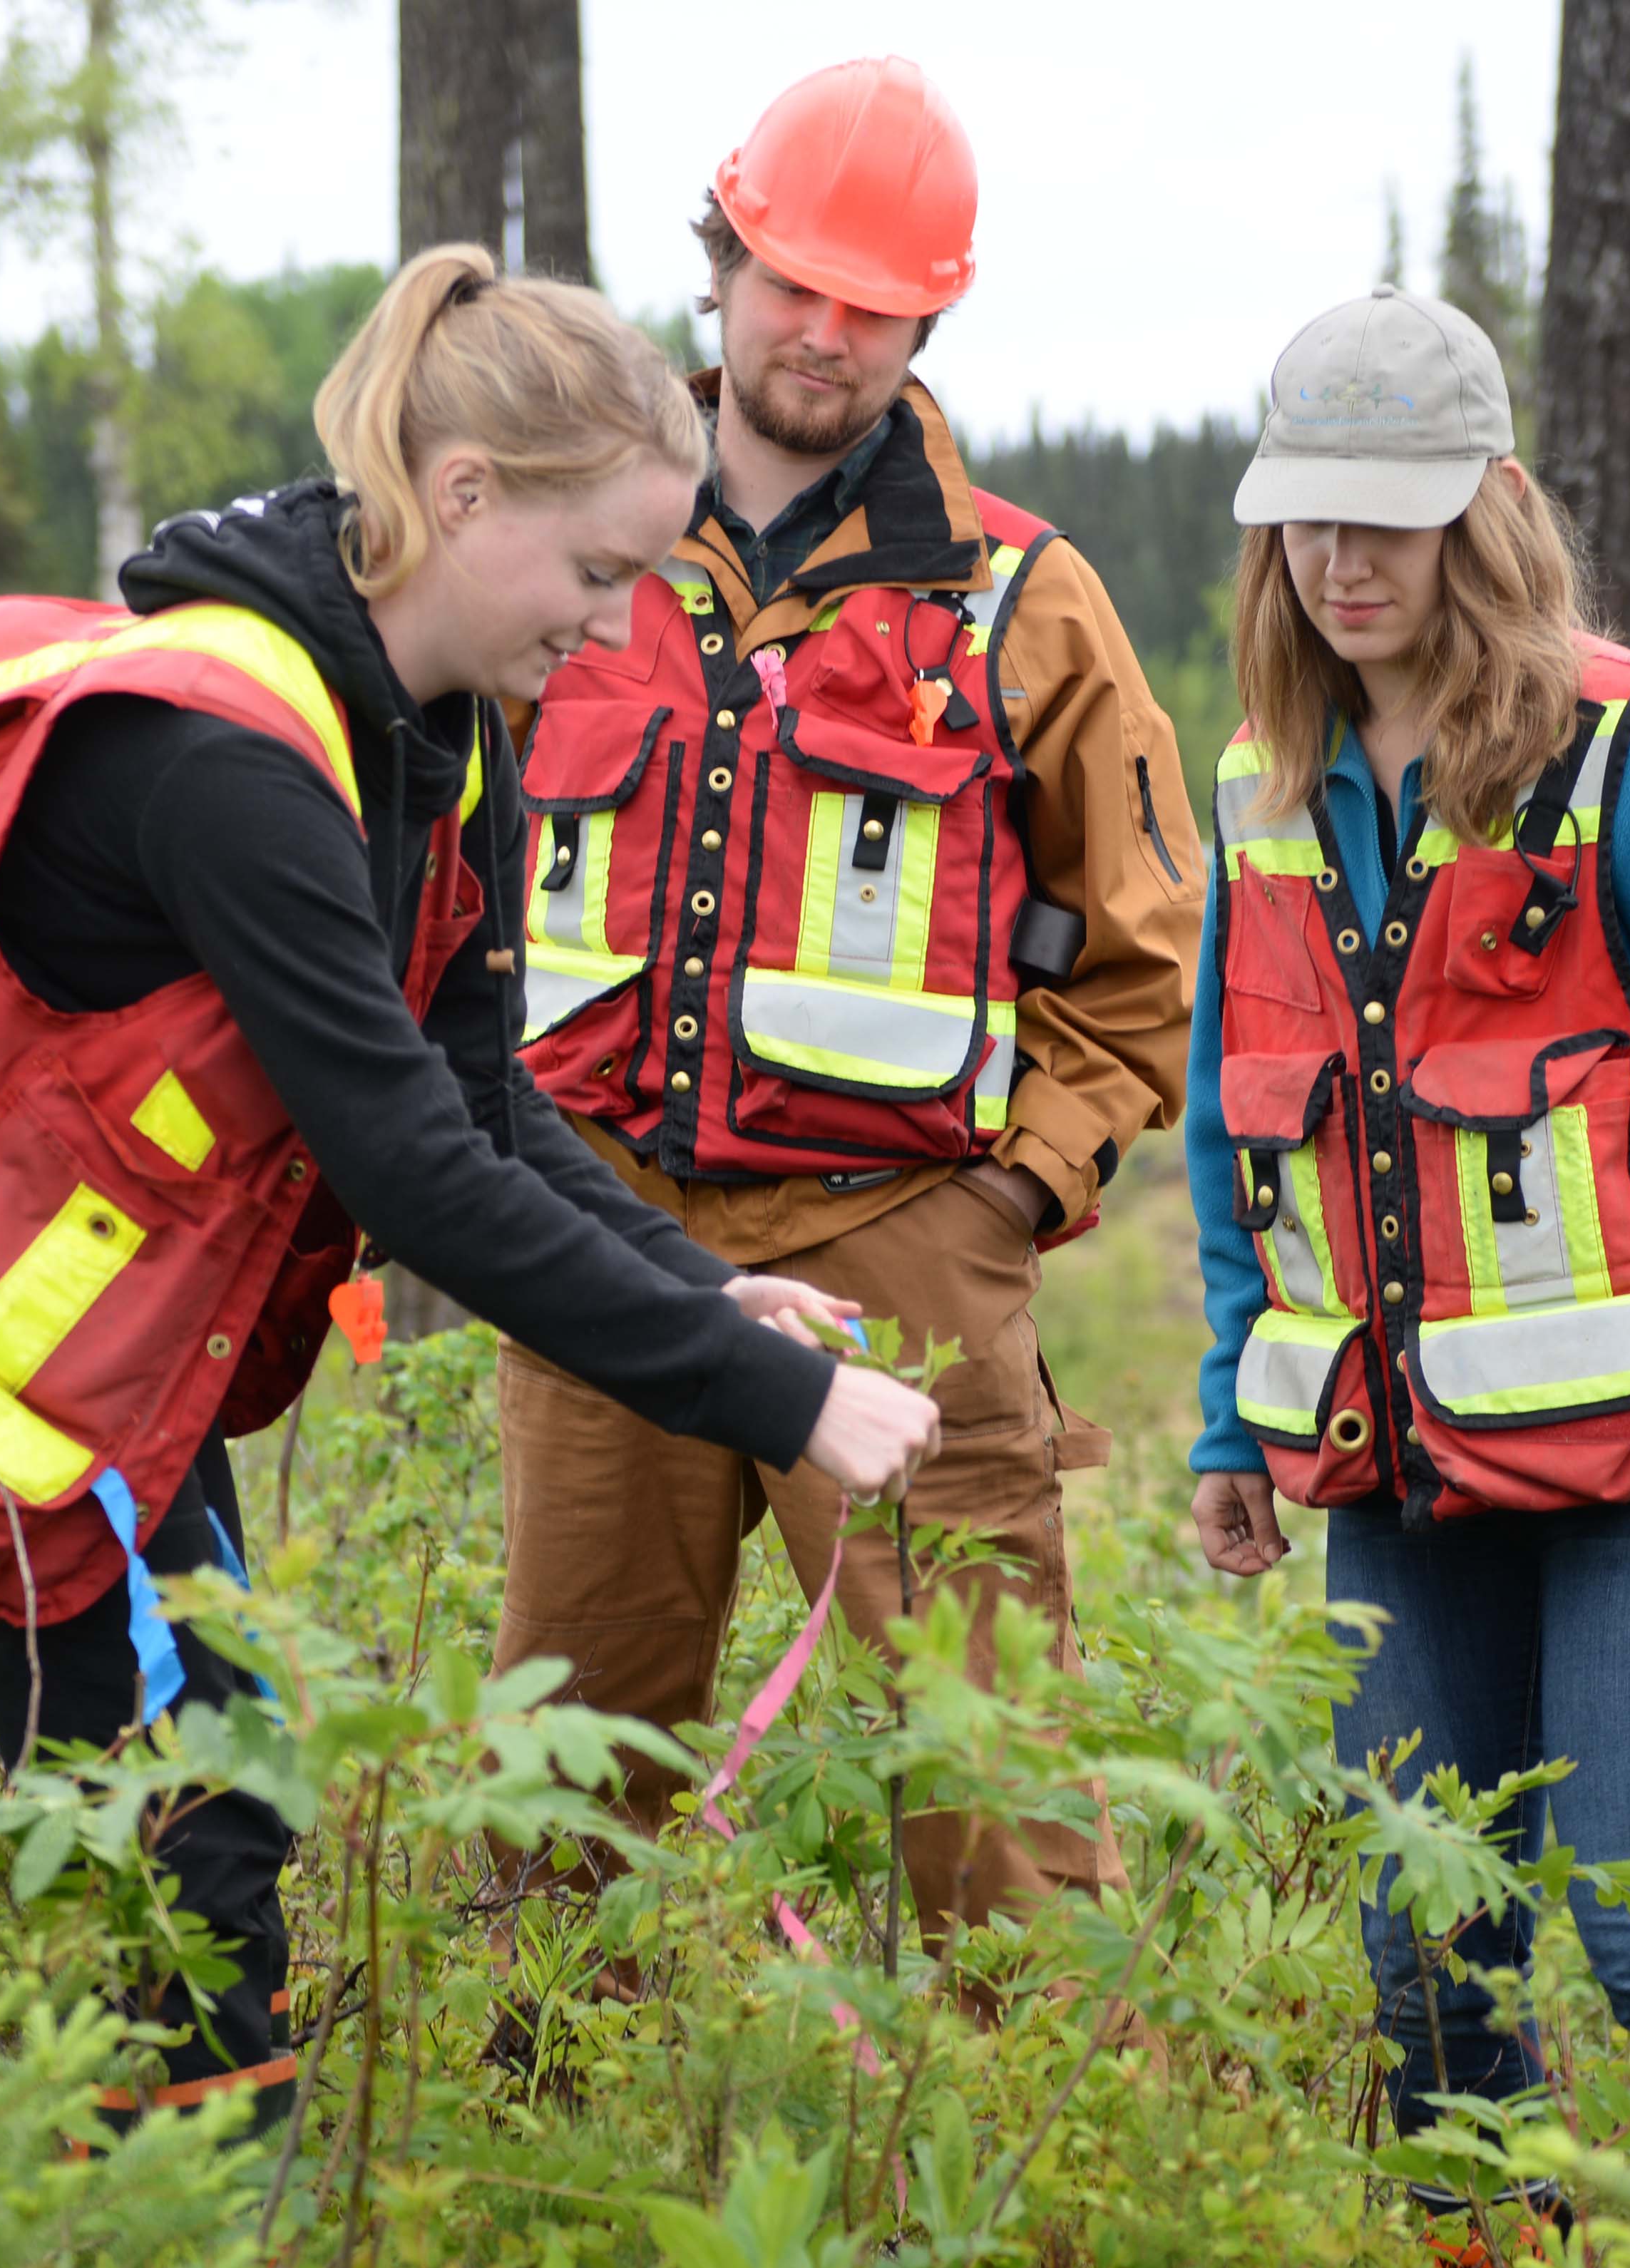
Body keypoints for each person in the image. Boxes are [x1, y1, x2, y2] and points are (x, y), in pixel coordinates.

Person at [0, 245, 939, 2121]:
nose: (615, 623)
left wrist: (693, 1281)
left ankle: (124, 2186)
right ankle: (170, 2247)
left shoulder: (436, 735)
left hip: (106, 1364)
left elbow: (476, 1093)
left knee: (201, 1796)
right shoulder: (222, 762)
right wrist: (785, 1403)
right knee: (187, 1836)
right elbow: (400, 1165)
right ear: (462, 497)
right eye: (595, 574)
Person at [1181, 287, 1630, 2268]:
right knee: (1422, 1945)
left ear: (1484, 507)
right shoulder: (1264, 780)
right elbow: (1245, 1142)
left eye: (1385, 516)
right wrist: (1239, 1417)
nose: (1341, 558)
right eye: (1306, 517)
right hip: (1399, 1482)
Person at [490, 56, 1201, 1936]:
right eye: (790, 281)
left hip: (900, 1260)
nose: (821, 331)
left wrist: (997, 1206)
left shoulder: (1018, 599)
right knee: (558, 1792)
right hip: (602, 1244)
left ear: (929, 314)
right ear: (717, 267)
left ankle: (1043, 2205)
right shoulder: (573, 550)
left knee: (988, 1807)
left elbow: (1140, 966)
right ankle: (528, 2181)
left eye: (871, 304)